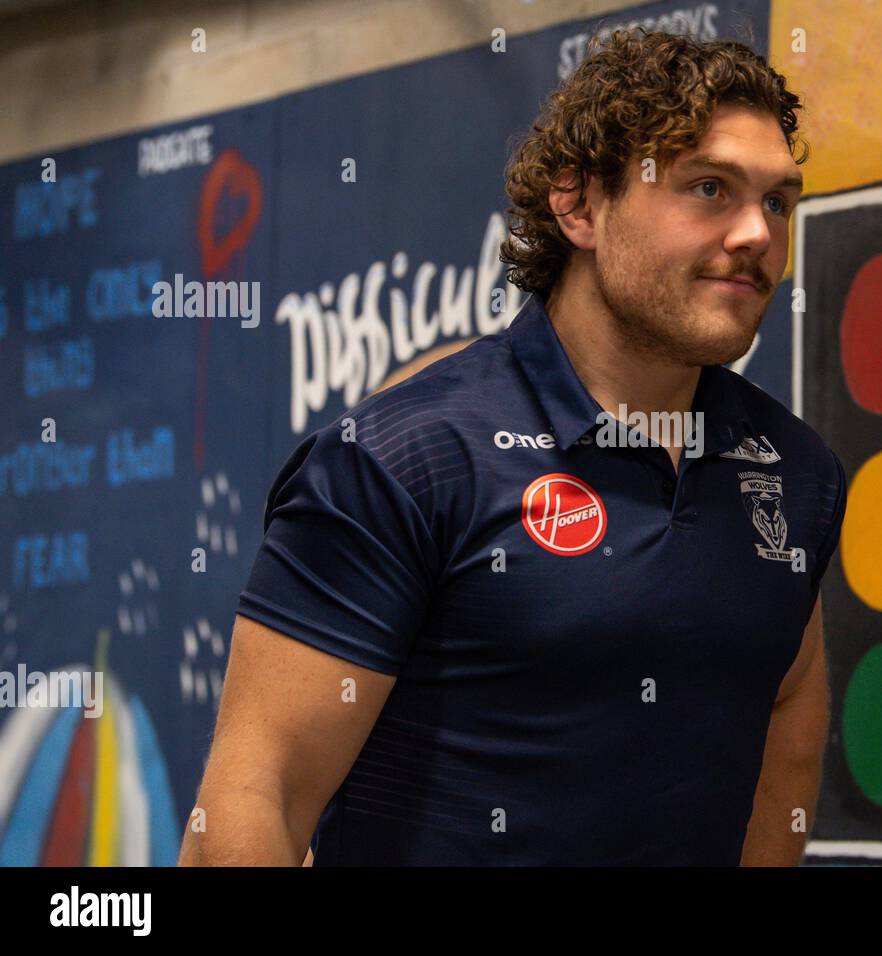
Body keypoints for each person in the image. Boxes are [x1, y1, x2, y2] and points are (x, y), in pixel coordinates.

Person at [179, 27, 846, 867]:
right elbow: (252, 801)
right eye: (708, 188)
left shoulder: (794, 473)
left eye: (778, 201)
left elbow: (785, 723)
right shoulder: (404, 457)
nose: (757, 232)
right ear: (579, 206)